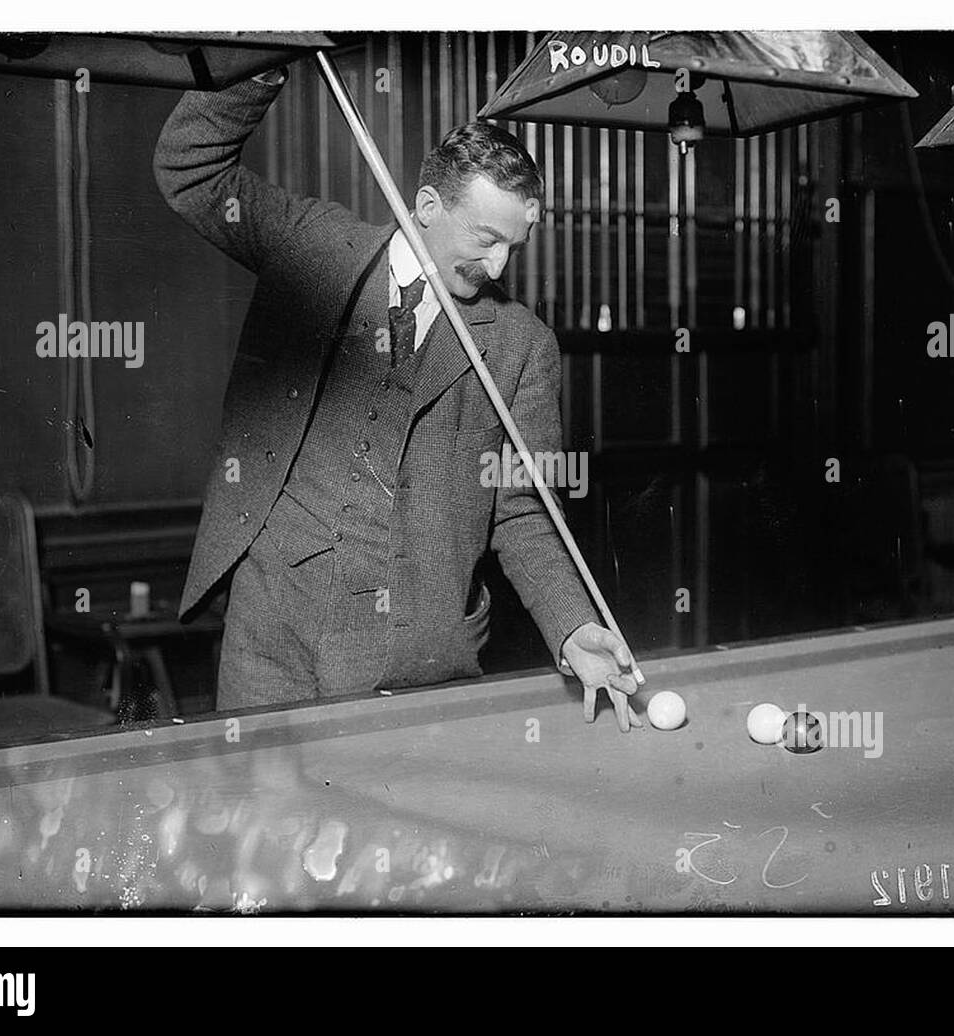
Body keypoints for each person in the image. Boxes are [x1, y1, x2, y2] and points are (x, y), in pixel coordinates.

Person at [153, 67, 641, 729]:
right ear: (429, 207)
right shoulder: (314, 248)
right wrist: (261, 57)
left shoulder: (522, 344)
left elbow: (522, 514)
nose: (499, 267)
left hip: (412, 650)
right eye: (485, 239)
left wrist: (571, 625)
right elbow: (191, 172)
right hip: (270, 632)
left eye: (514, 246)